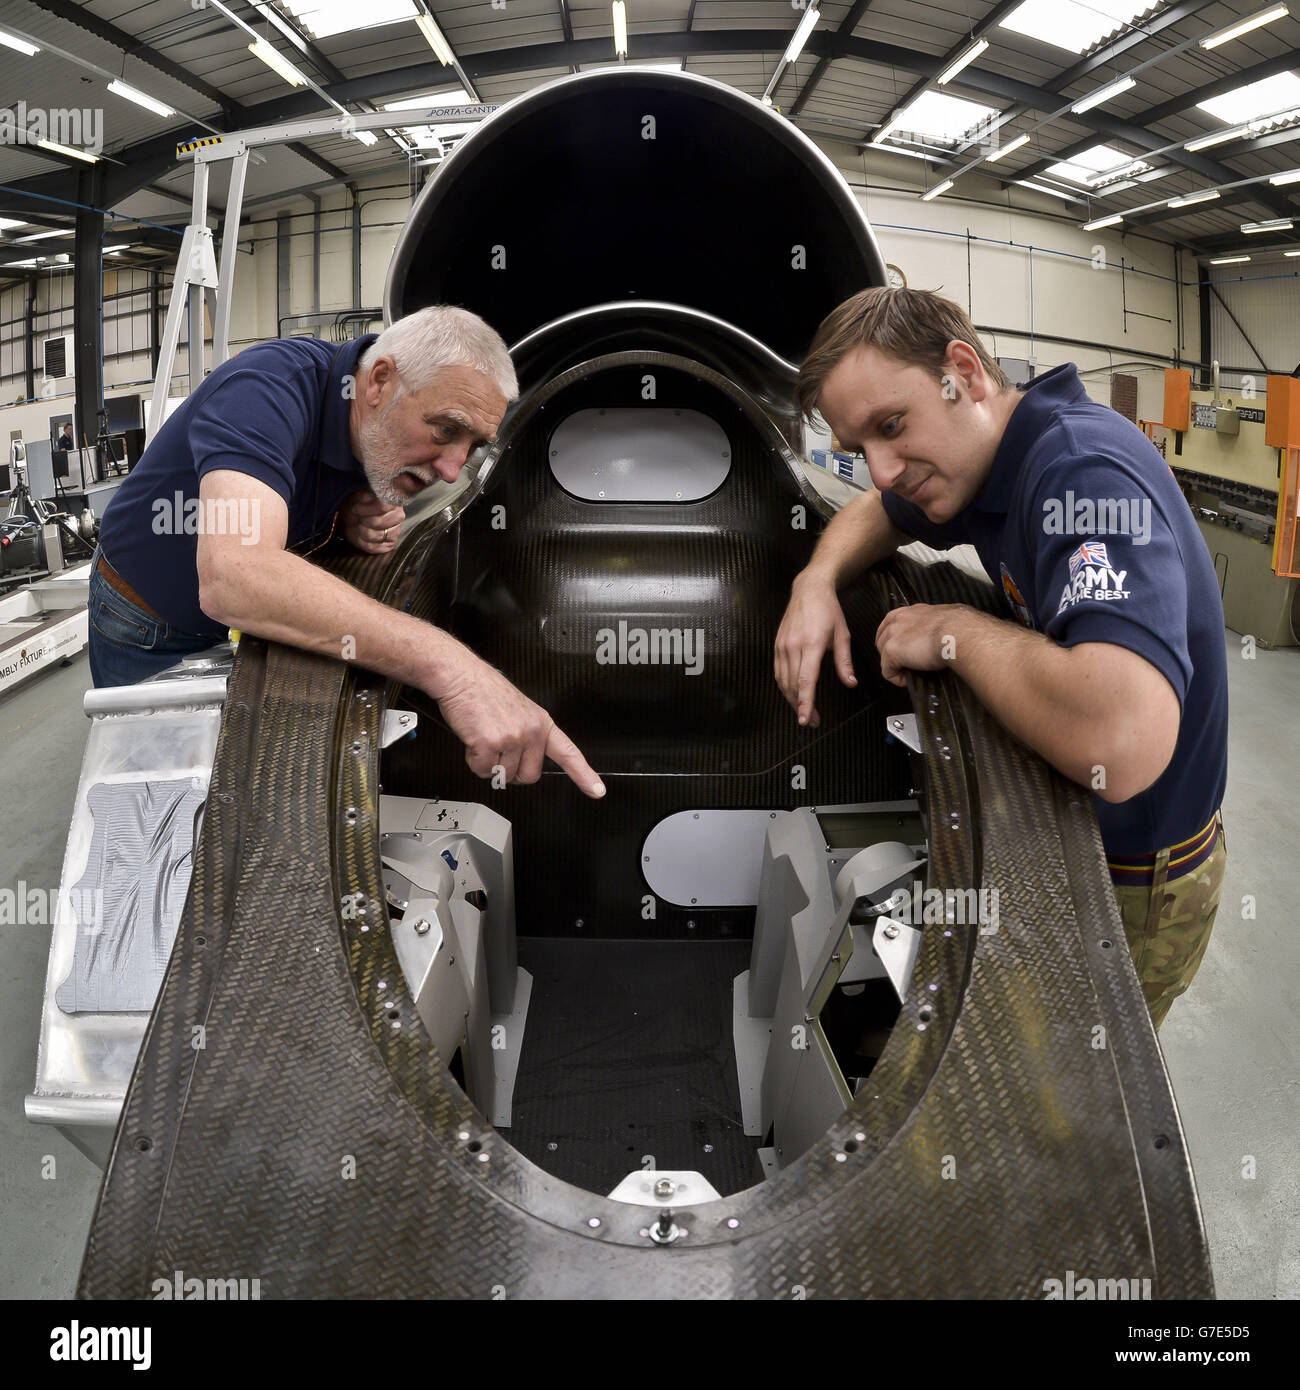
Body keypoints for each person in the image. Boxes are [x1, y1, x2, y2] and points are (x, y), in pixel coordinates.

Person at [775, 286, 1227, 1028]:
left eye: (892, 426)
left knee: (1070, 1079)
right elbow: (879, 510)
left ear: (963, 373)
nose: (882, 469)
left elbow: (1123, 739)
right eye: (860, 449)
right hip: (1077, 841)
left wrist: (956, 632)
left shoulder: (1079, 473)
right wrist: (815, 580)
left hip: (1135, 879)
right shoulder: (985, 463)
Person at [91, 304, 604, 799]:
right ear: (379, 381)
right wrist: (454, 670)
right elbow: (236, 575)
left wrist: (340, 521)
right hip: (148, 622)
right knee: (155, 795)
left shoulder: (373, 422)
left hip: (236, 628)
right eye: (446, 429)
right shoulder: (265, 389)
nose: (452, 469)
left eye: (472, 445)